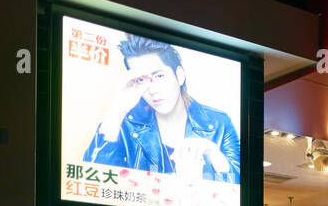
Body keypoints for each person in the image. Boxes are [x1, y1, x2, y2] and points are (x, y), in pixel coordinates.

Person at [85, 34, 241, 183]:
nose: (152, 90)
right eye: (141, 80)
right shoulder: (126, 125)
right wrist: (117, 111)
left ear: (179, 75)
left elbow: (241, 193)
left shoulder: (219, 123)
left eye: (159, 76)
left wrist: (213, 153)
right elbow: (95, 181)